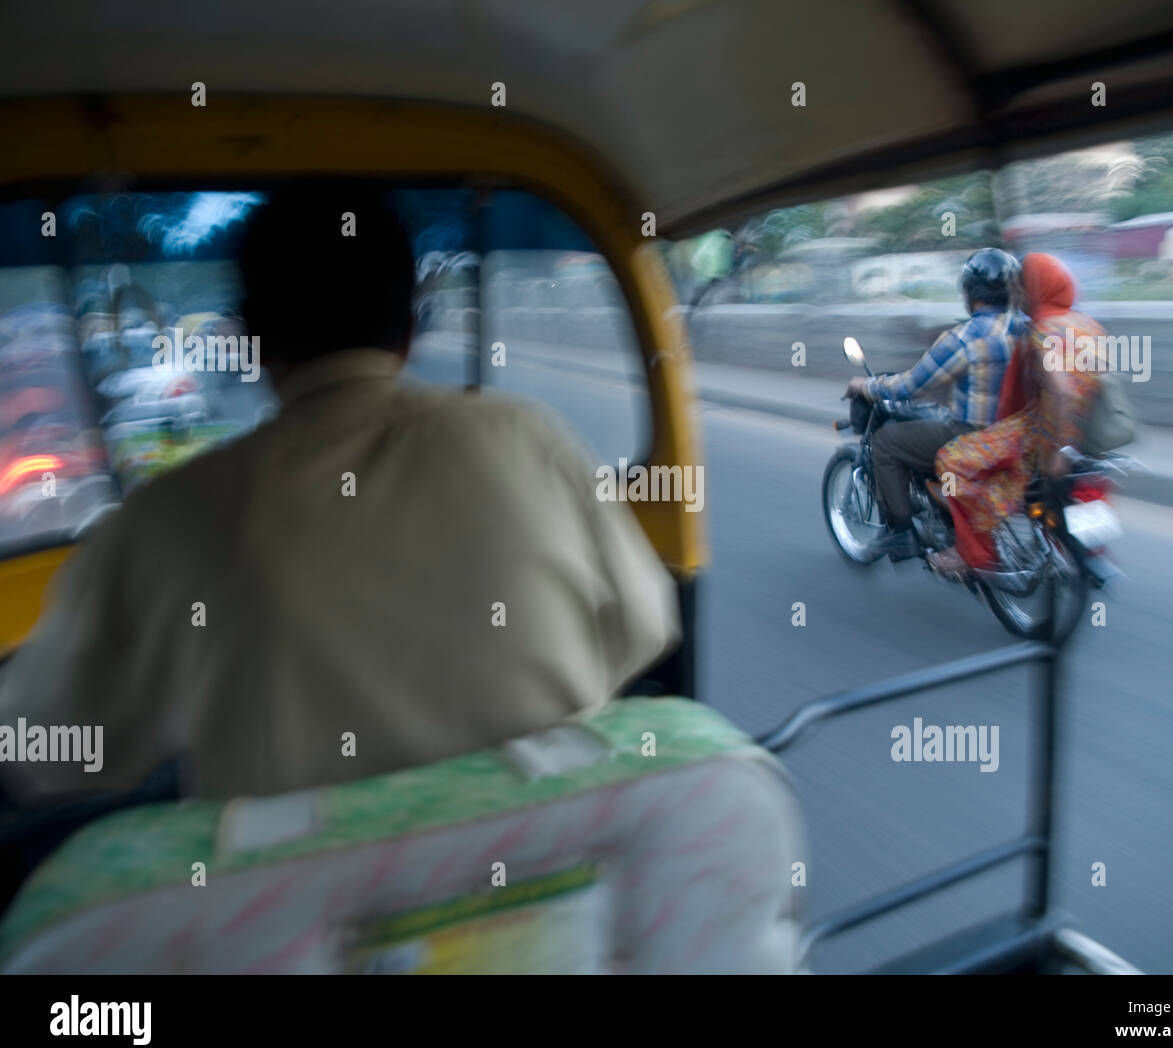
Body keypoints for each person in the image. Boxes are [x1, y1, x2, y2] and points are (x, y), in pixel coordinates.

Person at [0, 184, 680, 802]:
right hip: (554, 898)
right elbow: (647, 623)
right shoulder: (529, 437)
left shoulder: (169, 515)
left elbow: (44, 751)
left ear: (253, 337)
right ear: (412, 328)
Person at [931, 253, 1104, 576]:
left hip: (1039, 433)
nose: (1017, 298)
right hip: (1082, 433)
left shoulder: (1043, 331)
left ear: (1037, 289)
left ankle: (974, 550)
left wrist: (1056, 450)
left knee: (950, 460)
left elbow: (1061, 391)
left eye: (1021, 289)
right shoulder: (1087, 326)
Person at [845, 248, 1020, 562]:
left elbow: (910, 386)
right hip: (1013, 434)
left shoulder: (966, 337)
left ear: (970, 292)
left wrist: (866, 386)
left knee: (886, 443)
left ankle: (901, 533)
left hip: (972, 435)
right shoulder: (1022, 329)